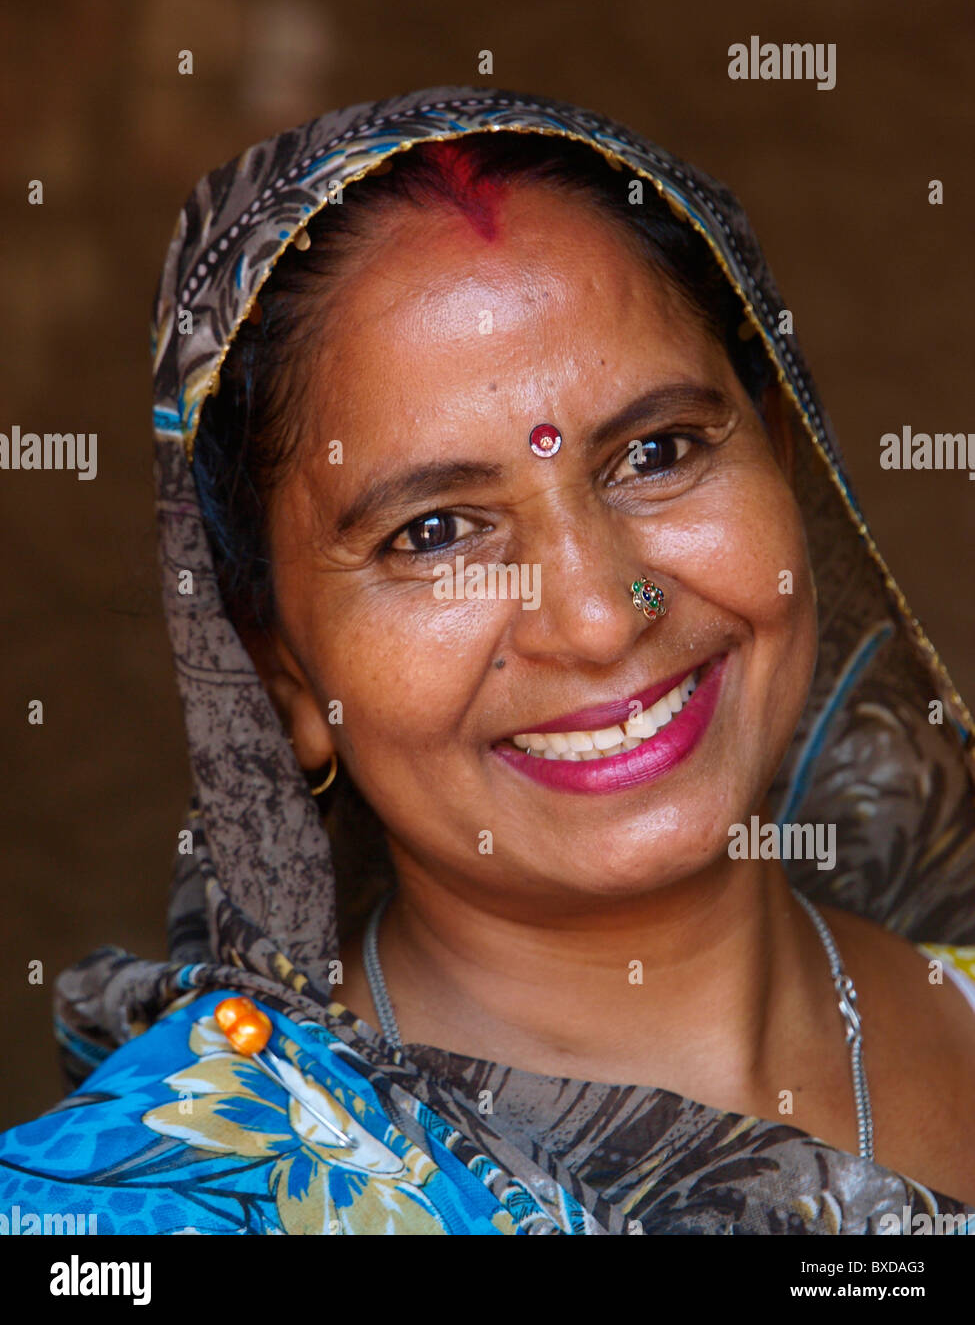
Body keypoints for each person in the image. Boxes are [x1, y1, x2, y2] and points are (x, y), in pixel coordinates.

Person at [2, 86, 974, 1236]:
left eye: (657, 452)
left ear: (781, 454)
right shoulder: (153, 1212)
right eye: (435, 531)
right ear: (280, 677)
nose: (602, 617)